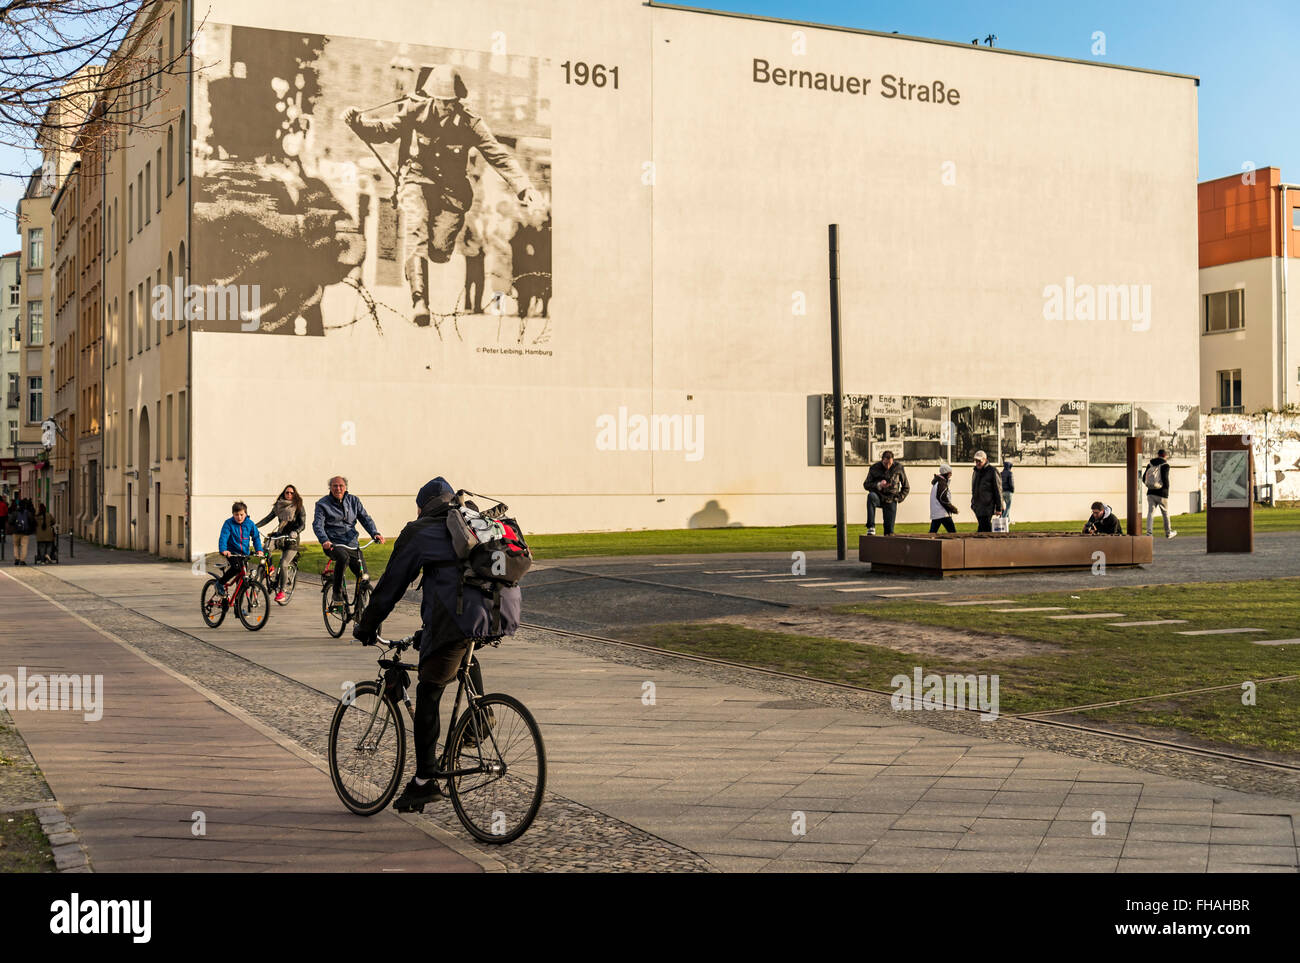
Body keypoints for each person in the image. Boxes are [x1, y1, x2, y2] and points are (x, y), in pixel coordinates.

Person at [352, 477, 520, 813]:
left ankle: (425, 781)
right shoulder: (472, 519)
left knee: (429, 690)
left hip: (457, 619)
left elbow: (391, 585)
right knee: (459, 657)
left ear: (423, 505)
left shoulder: (421, 531)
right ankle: (477, 720)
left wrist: (367, 626)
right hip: (496, 613)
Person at [341, 65, 542, 329]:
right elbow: (386, 131)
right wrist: (358, 122)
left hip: (452, 194)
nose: (445, 107)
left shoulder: (470, 121)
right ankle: (419, 302)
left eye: (450, 103)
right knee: (416, 230)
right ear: (431, 97)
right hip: (418, 180)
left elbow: (498, 155)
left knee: (438, 251)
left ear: (458, 99)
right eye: (441, 101)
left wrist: (525, 187)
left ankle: (432, 260)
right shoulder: (415, 110)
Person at [313, 476, 384, 599]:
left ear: (346, 487)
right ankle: (337, 592)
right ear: (330, 488)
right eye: (335, 486)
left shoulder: (354, 501)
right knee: (343, 557)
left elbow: (365, 518)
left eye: (341, 486)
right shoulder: (322, 504)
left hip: (352, 544)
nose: (338, 488)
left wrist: (374, 533)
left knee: (364, 577)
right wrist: (324, 540)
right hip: (333, 544)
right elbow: (317, 524)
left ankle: (359, 609)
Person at [257, 484, 306, 602]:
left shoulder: (298, 507)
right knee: (266, 549)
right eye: (287, 492)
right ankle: (271, 567)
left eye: (291, 493)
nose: (289, 494)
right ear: (283, 493)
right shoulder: (279, 506)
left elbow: (303, 524)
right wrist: (254, 526)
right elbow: (267, 518)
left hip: (292, 539)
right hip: (280, 535)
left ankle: (282, 591)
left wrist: (296, 531)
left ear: (295, 495)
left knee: (284, 563)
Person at [217, 501, 263, 596]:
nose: (239, 517)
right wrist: (223, 550)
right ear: (233, 514)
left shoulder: (249, 524)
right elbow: (223, 537)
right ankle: (220, 583)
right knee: (236, 568)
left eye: (241, 514)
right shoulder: (228, 523)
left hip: (244, 554)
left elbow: (256, 538)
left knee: (242, 582)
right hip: (232, 553)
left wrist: (259, 550)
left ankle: (238, 609)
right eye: (236, 515)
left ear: (246, 513)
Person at [862, 450, 909, 535]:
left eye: (890, 464)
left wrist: (898, 498)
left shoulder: (899, 467)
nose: (887, 466)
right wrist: (878, 485)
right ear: (882, 460)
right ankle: (871, 526)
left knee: (889, 531)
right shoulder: (874, 468)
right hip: (878, 497)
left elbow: (906, 487)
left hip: (891, 499)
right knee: (871, 496)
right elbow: (866, 484)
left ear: (893, 461)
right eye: (885, 464)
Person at [1142, 449, 1177, 539]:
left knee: (1150, 513)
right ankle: (1168, 532)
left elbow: (1143, 478)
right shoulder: (1165, 465)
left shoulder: (1150, 464)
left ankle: (1149, 533)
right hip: (1162, 493)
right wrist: (1166, 491)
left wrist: (1151, 486)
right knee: (1165, 512)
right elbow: (1165, 479)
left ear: (1157, 455)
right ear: (1165, 456)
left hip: (1150, 493)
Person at [970, 450, 1003, 532]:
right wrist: (973, 503)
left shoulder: (992, 471)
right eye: (976, 461)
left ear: (985, 460)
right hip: (978, 506)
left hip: (987, 507)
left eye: (979, 461)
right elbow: (974, 488)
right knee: (983, 530)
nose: (977, 463)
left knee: (985, 530)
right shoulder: (975, 472)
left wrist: (999, 507)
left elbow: (998, 490)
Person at [929, 463, 959, 533]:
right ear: (946, 473)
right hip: (943, 513)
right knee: (953, 534)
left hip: (936, 513)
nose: (951, 474)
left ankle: (924, 544)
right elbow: (943, 498)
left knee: (932, 534)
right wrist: (952, 509)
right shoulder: (942, 483)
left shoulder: (938, 482)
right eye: (950, 473)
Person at [7, 498, 34, 566]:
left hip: (16, 532)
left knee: (16, 545)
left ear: (18, 505)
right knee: (24, 546)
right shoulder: (28, 513)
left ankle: (17, 558)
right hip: (25, 532)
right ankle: (22, 560)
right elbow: (32, 521)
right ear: (25, 505)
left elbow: (10, 521)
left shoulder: (15, 513)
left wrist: (14, 525)